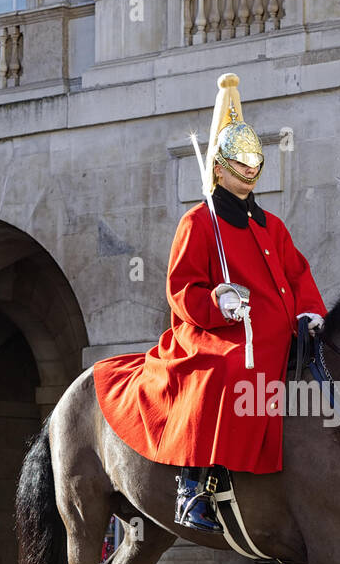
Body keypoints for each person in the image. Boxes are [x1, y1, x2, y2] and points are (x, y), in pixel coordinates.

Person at [94, 73, 327, 533]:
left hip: (281, 335)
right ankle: (194, 485)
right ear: (219, 168)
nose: (250, 170)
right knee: (228, 370)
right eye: (241, 162)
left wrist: (308, 310)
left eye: (254, 161)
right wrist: (218, 302)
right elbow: (181, 289)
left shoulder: (272, 226)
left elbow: (298, 273)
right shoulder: (200, 222)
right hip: (215, 335)